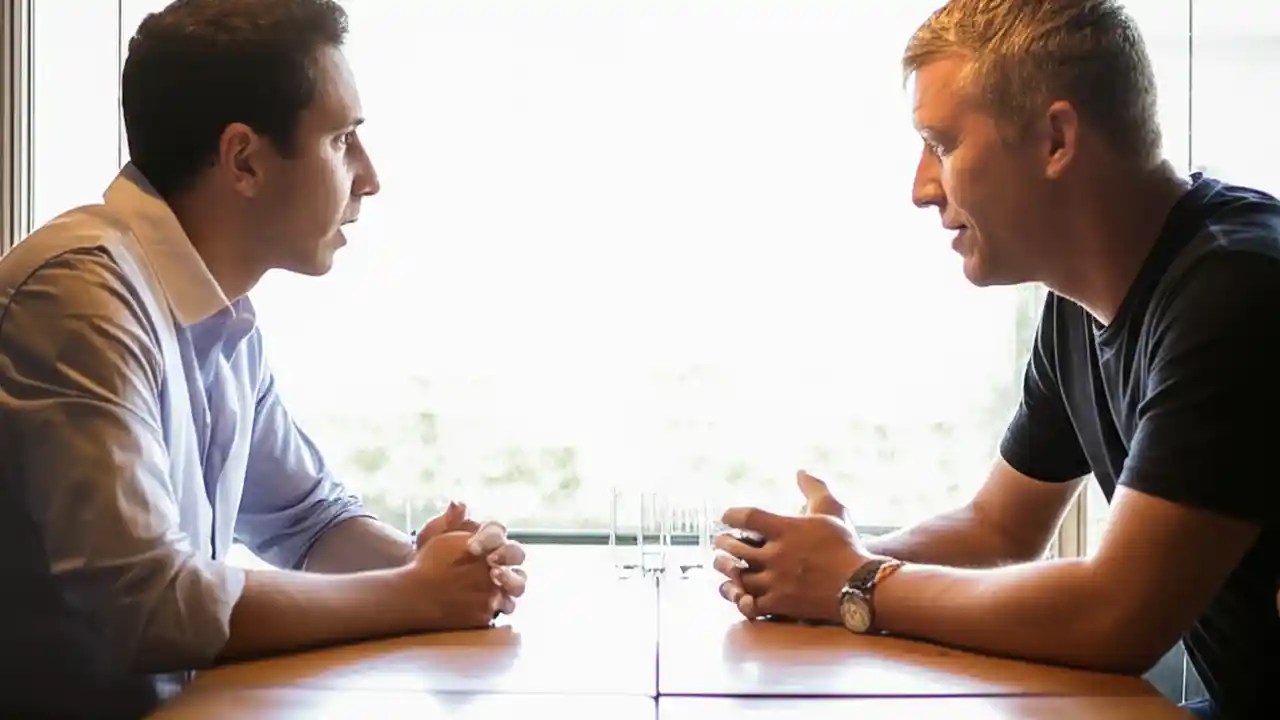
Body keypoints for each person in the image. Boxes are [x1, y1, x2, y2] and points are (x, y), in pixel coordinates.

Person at [712, 1, 1278, 718]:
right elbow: (998, 527)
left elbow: (1119, 614)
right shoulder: (1081, 304)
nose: (921, 188)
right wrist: (821, 564)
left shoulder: (1237, 291)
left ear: (1054, 139)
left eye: (941, 144)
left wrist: (853, 582)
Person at [0, 1, 526, 716]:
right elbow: (149, 605)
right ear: (244, 159)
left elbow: (307, 520)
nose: (369, 178)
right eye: (343, 141)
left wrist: (429, 562)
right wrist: (414, 593)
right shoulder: (79, 297)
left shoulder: (215, 313)